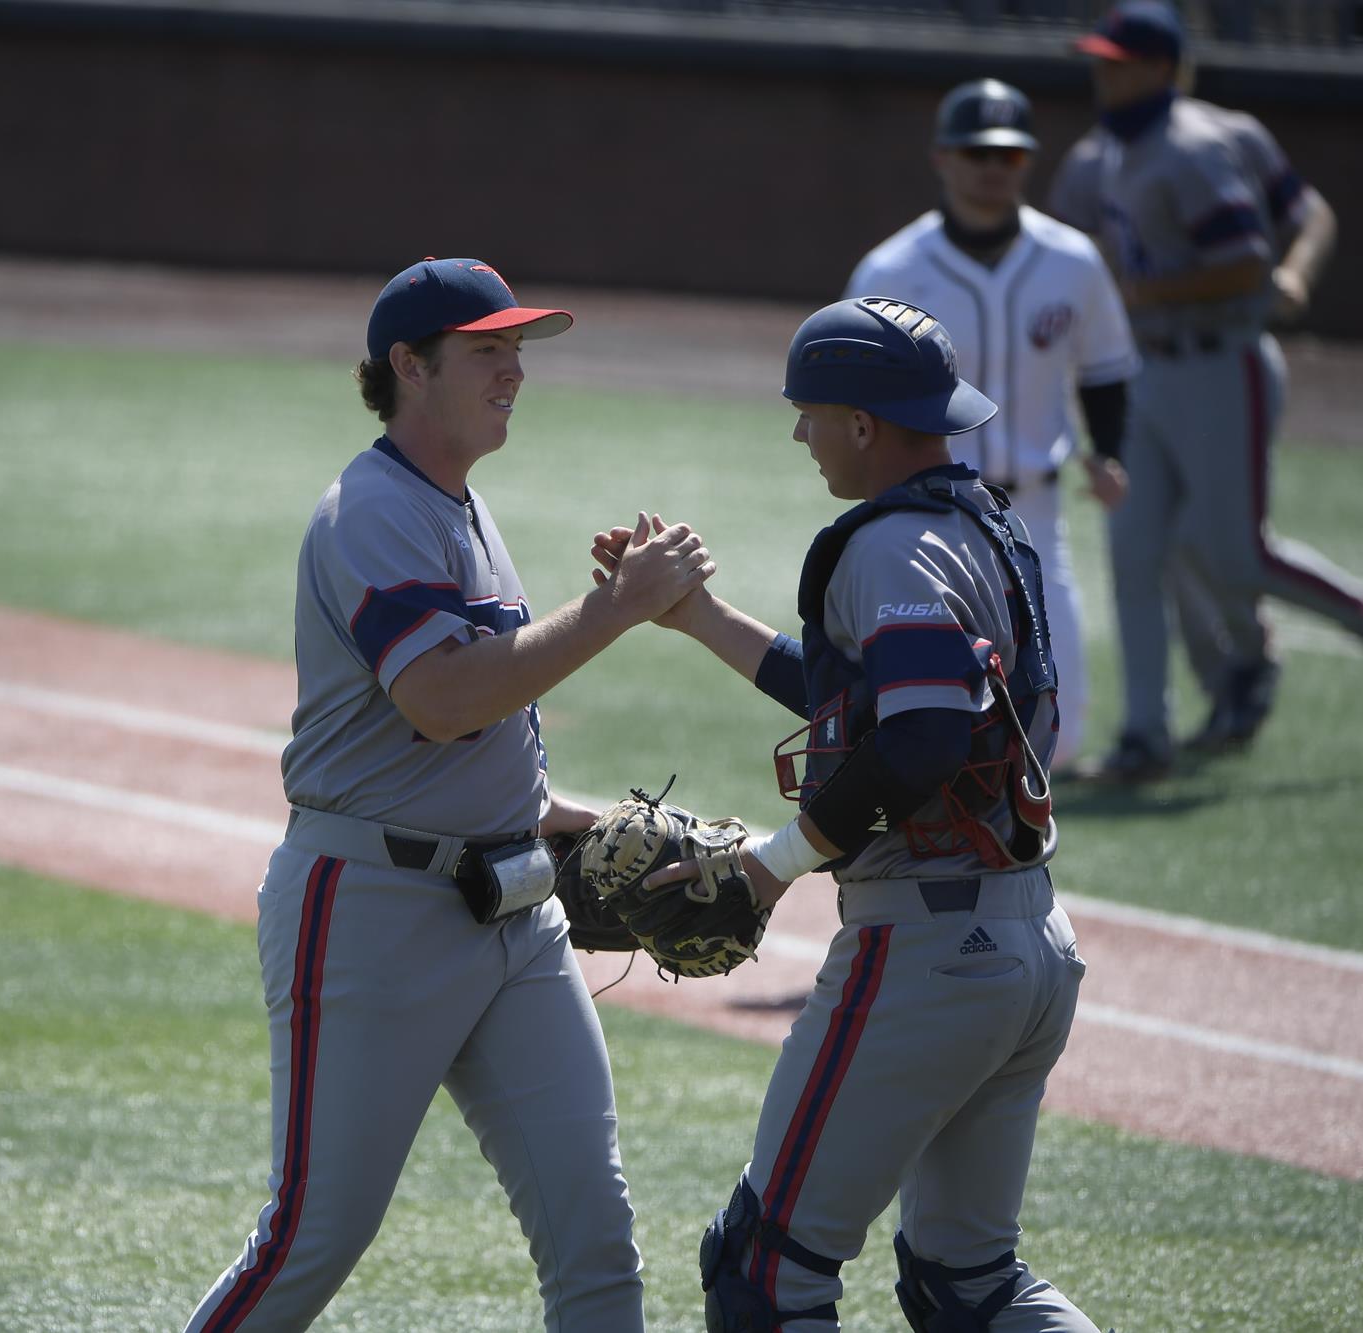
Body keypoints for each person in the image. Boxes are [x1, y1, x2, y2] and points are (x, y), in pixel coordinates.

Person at [184, 257, 716, 1332]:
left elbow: (477, 740)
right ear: (408, 367)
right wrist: (612, 608)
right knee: (310, 1240)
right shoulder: (370, 512)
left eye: (518, 348)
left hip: (513, 917)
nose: (516, 369)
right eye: (489, 350)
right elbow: (438, 699)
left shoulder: (460, 508)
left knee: (594, 1238)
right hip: (369, 915)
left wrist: (588, 820)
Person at [598, 297, 1102, 1331]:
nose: (798, 432)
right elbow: (876, 702)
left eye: (810, 411)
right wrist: (695, 618)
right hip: (1028, 938)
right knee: (965, 1279)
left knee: (762, 1269)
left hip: (927, 950)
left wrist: (771, 863)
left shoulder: (893, 548)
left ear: (863, 424)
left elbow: (916, 740)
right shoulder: (976, 524)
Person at [1046, 0, 1363, 781]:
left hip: (1219, 364)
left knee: (1230, 555)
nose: (1101, 73)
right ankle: (1146, 735)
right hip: (1147, 371)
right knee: (1135, 546)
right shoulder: (1101, 155)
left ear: (1162, 67)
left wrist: (1288, 275)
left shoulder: (1195, 145)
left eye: (1117, 61)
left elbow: (1244, 261)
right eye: (1100, 59)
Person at [845, 77, 1139, 772]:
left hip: (1035, 511)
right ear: (942, 157)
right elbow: (852, 394)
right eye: (976, 151)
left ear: (1028, 162)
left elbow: (1105, 365)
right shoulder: (893, 268)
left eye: (1007, 155)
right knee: (918, 704)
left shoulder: (1072, 260)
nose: (990, 167)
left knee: (1058, 732)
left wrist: (1111, 451)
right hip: (927, 512)